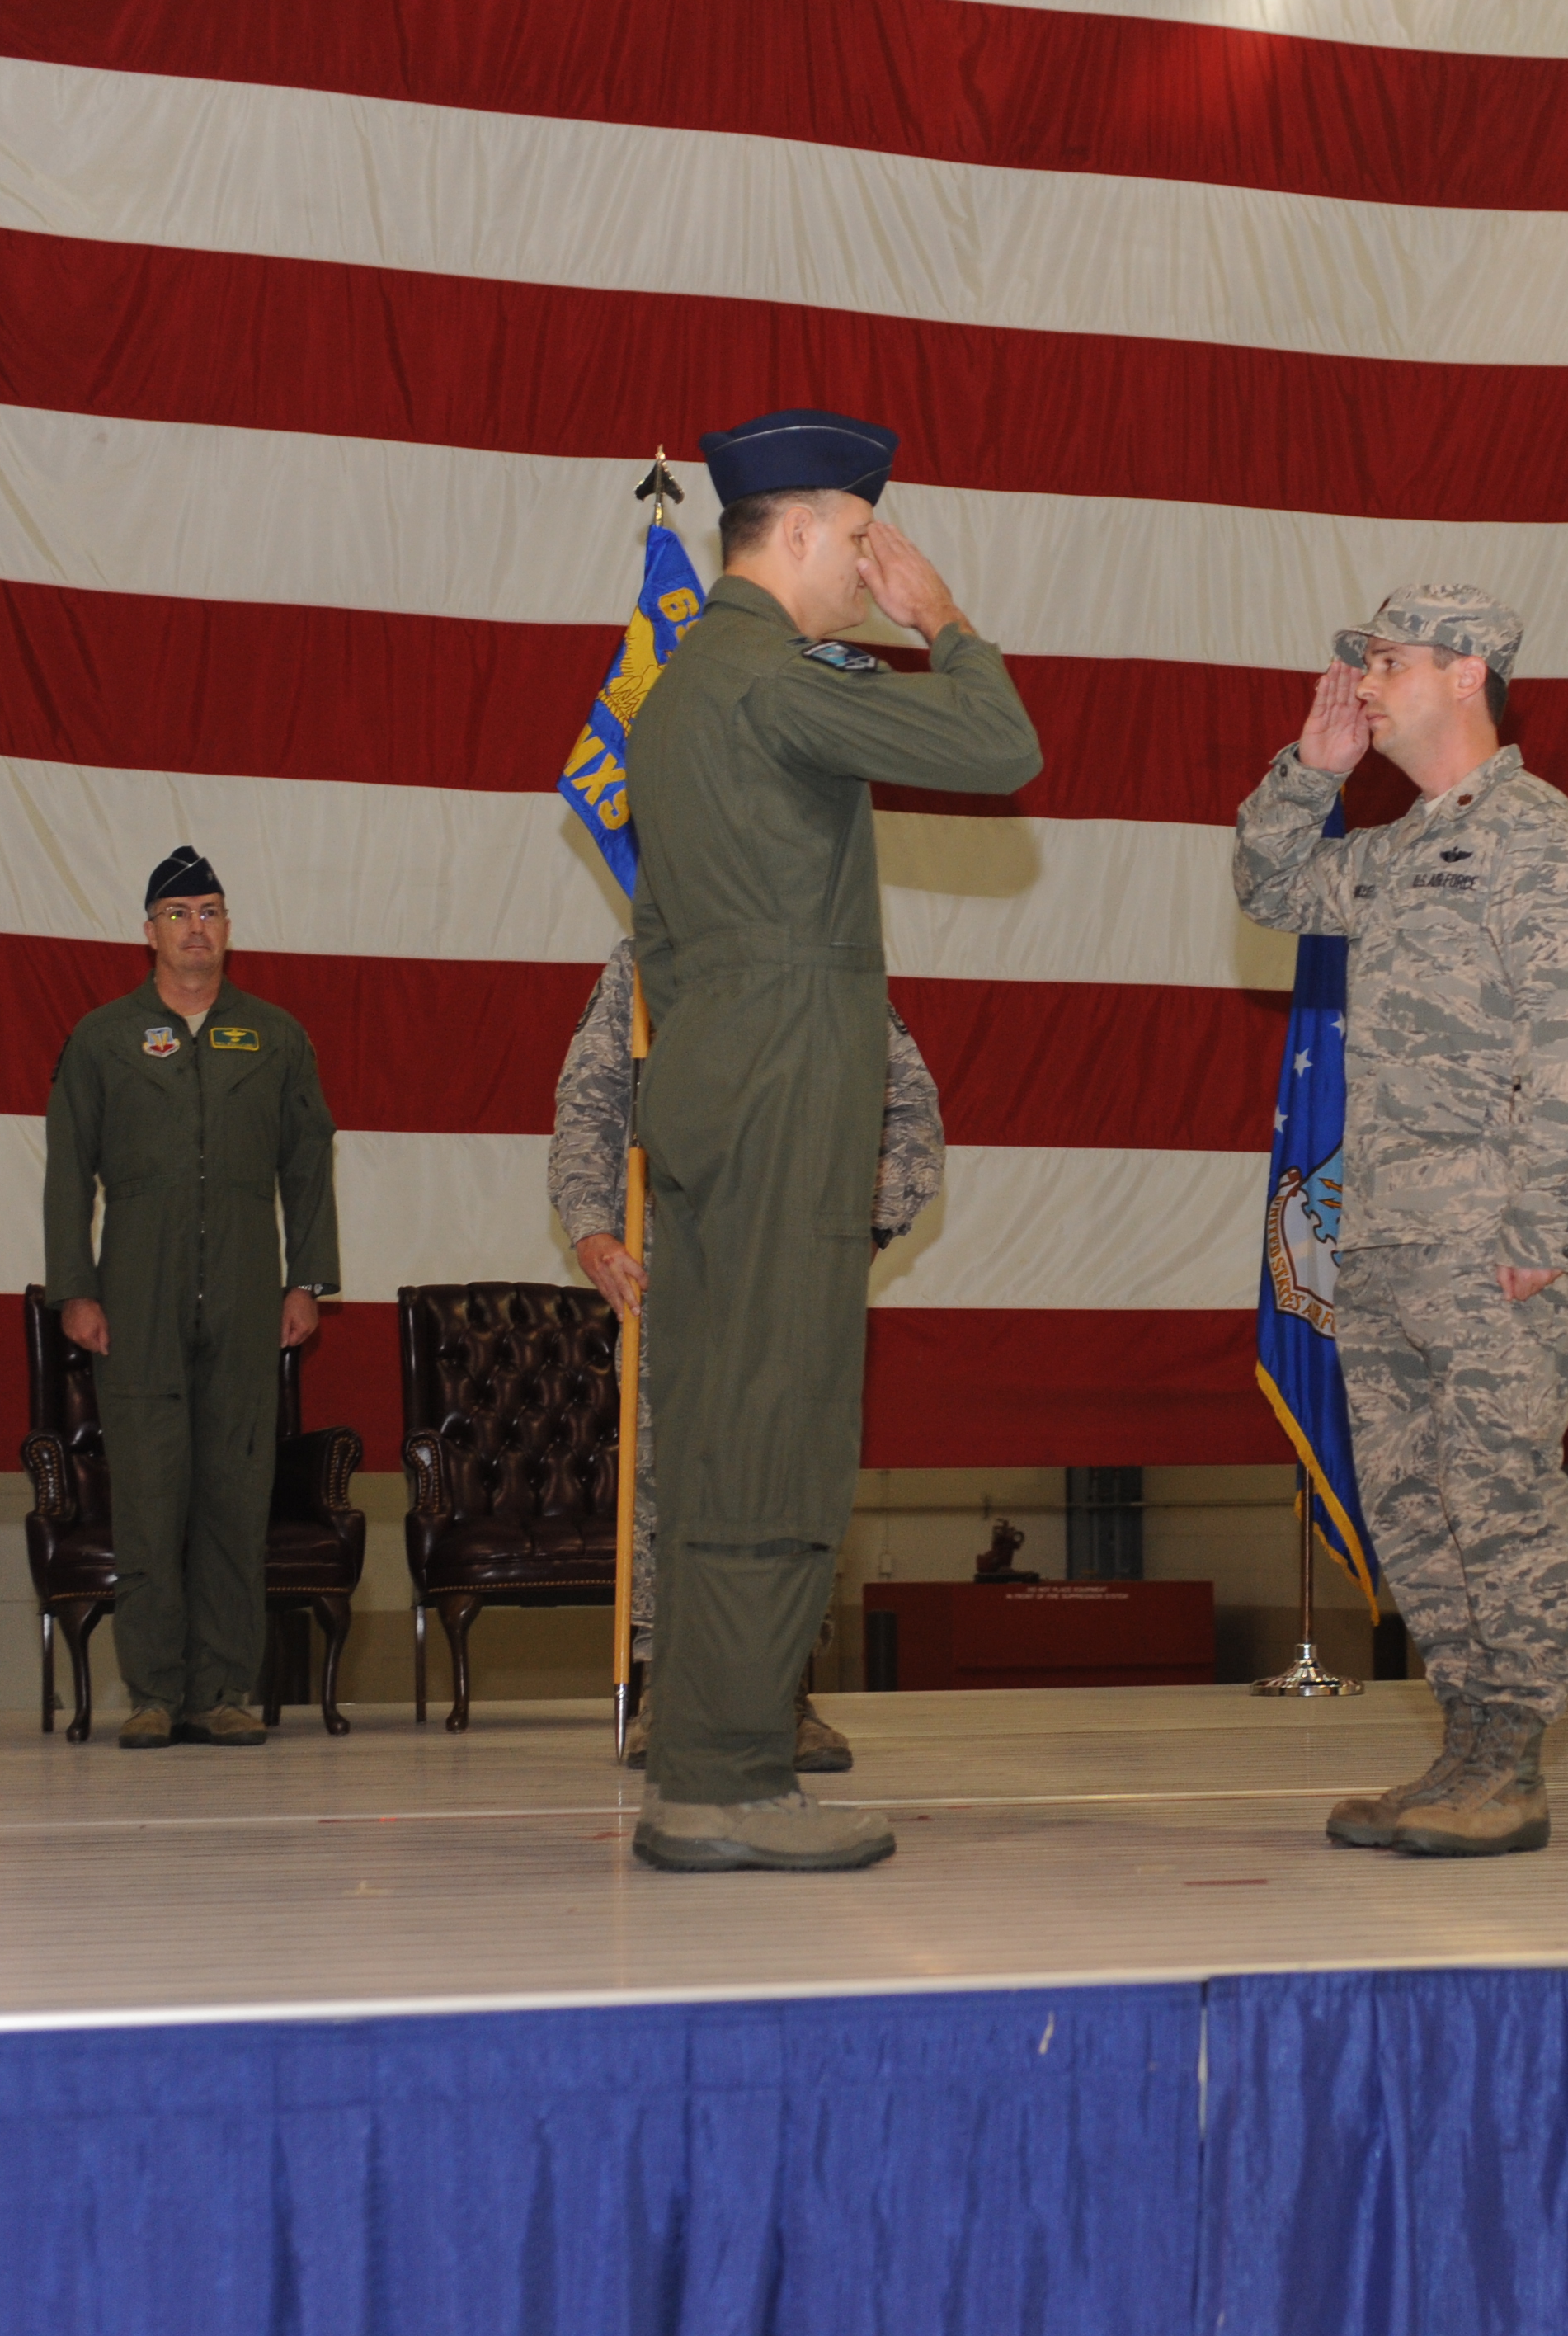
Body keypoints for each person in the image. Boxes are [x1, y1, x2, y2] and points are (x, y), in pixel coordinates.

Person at [623, 407, 1041, 1872]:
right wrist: (952, 623)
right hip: (788, 1082)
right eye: (863, 541)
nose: (880, 571)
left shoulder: (675, 694)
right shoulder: (766, 679)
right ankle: (728, 1784)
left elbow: (659, 942)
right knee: (774, 1428)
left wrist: (728, 1052)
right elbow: (1002, 744)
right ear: (795, 531)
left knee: (721, 1416)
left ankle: (705, 1758)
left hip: (722, 1078)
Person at [1232, 587, 1568, 1859]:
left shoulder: (1535, 836)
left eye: (1386, 664)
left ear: (1470, 675)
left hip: (1482, 1241)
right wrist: (1312, 768)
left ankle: (1512, 1759)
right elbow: (1271, 887)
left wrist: (1542, 1223)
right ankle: (1463, 1744)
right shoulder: (1399, 848)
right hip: (1388, 1237)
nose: (1365, 682)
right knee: (1411, 1505)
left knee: (1501, 1493)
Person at [545, 935, 944, 1772]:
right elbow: (590, 1103)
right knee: (670, 1476)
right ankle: (670, 1693)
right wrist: (592, 1229)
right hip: (673, 1269)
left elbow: (907, 1108)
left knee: (791, 1473)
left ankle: (784, 1694)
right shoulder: (647, 964)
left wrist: (858, 1229)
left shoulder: (829, 957)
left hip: (799, 1270)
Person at [41, 847, 341, 1750]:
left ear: (227, 928)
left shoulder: (275, 1036)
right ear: (148, 932)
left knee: (233, 1490)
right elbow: (67, 1175)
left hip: (249, 1287)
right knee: (148, 1489)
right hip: (137, 1287)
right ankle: (152, 1692)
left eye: (209, 912)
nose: (195, 929)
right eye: (178, 915)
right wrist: (75, 1290)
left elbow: (308, 1163)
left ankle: (224, 1692)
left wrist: (306, 1279)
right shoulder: (103, 1038)